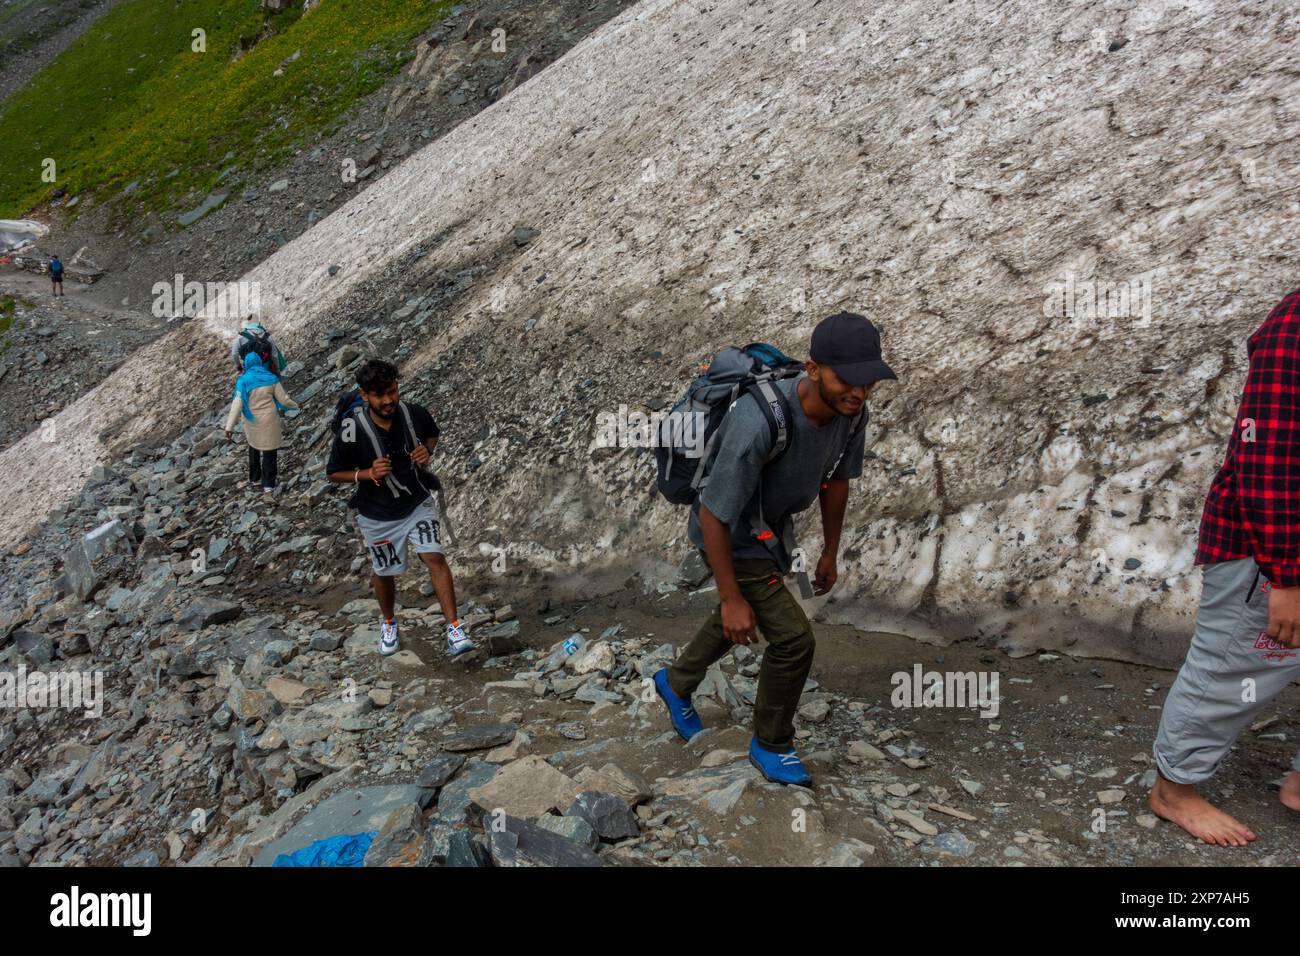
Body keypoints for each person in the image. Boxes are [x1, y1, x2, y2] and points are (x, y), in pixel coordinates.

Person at [654, 311, 896, 786]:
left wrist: (830, 551)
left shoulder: (851, 413)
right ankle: (771, 744)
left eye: (868, 381)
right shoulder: (760, 419)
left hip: (768, 527)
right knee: (791, 638)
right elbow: (713, 513)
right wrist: (728, 597)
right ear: (812, 369)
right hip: (727, 532)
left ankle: (676, 681)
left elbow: (837, 481)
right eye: (847, 379)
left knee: (748, 612)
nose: (859, 391)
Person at [1149, 287, 1300, 846]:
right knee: (1235, 667)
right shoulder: (1296, 325)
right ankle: (1174, 790)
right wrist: (1285, 574)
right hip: (1270, 548)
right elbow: (1269, 453)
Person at [325, 358, 473, 658]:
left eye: (392, 391)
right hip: (376, 514)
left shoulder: (412, 413)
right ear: (365, 395)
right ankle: (389, 622)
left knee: (434, 556)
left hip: (416, 500)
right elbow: (333, 472)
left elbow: (433, 433)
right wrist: (366, 474)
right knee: (385, 571)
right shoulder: (352, 430)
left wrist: (426, 451)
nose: (389, 400)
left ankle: (454, 628)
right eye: (380, 395)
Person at [224, 353, 299, 493]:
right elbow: (284, 400)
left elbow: (237, 404)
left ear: (246, 364)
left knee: (254, 447)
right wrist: (296, 405)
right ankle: (268, 485)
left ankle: (255, 478)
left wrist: (229, 427)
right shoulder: (271, 378)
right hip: (269, 419)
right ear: (259, 362)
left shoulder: (243, 381)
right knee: (270, 451)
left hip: (252, 421)